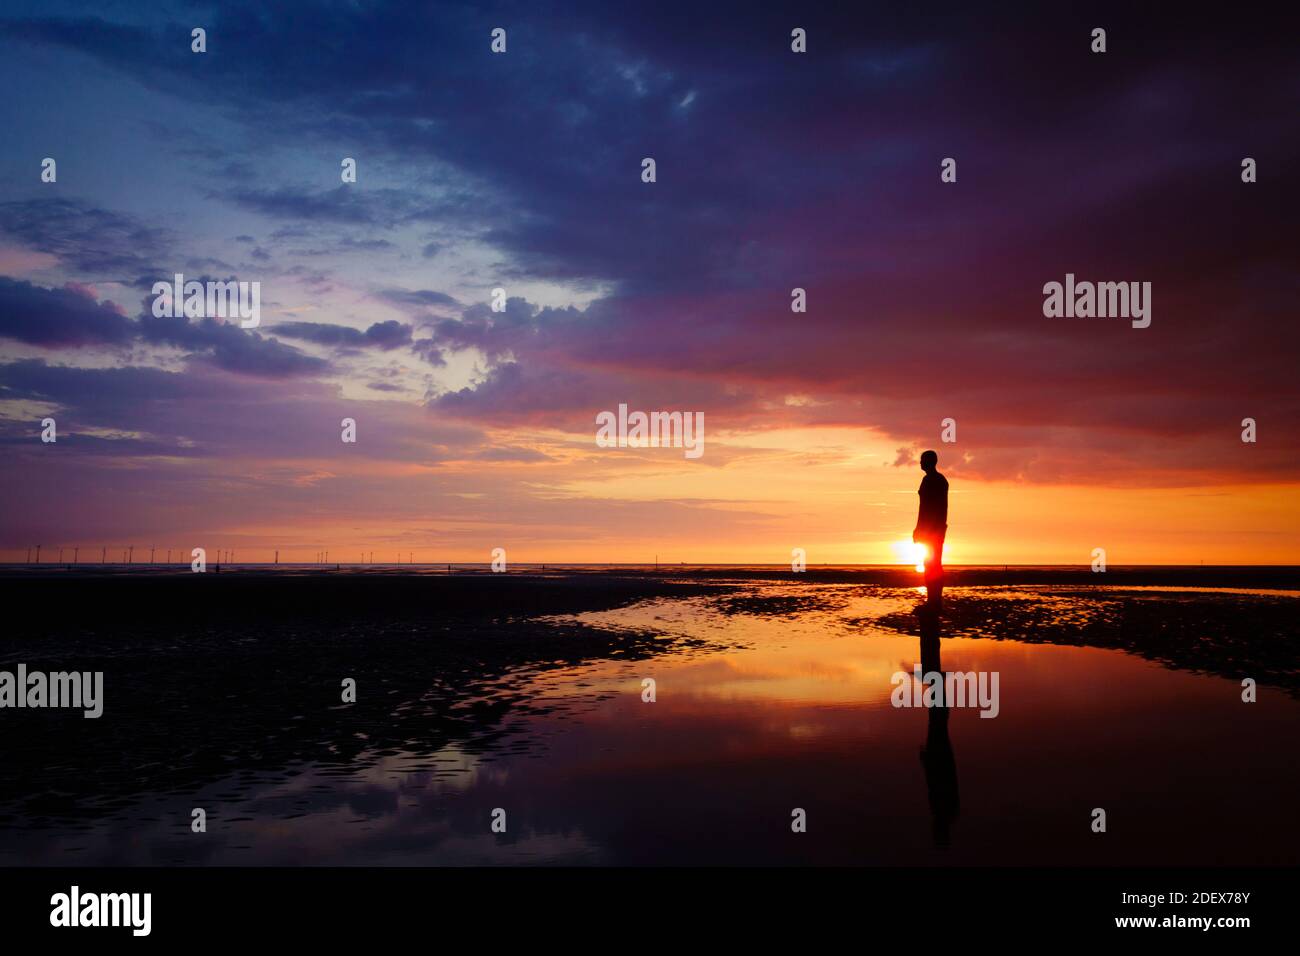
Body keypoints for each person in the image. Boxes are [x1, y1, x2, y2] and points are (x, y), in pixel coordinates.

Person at [913, 450, 948, 585]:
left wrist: (920, 529)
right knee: (931, 563)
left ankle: (934, 599)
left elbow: (928, 508)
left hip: (932, 530)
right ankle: (932, 598)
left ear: (929, 462)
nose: (920, 463)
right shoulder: (936, 480)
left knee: (932, 564)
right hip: (934, 529)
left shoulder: (934, 480)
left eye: (922, 460)